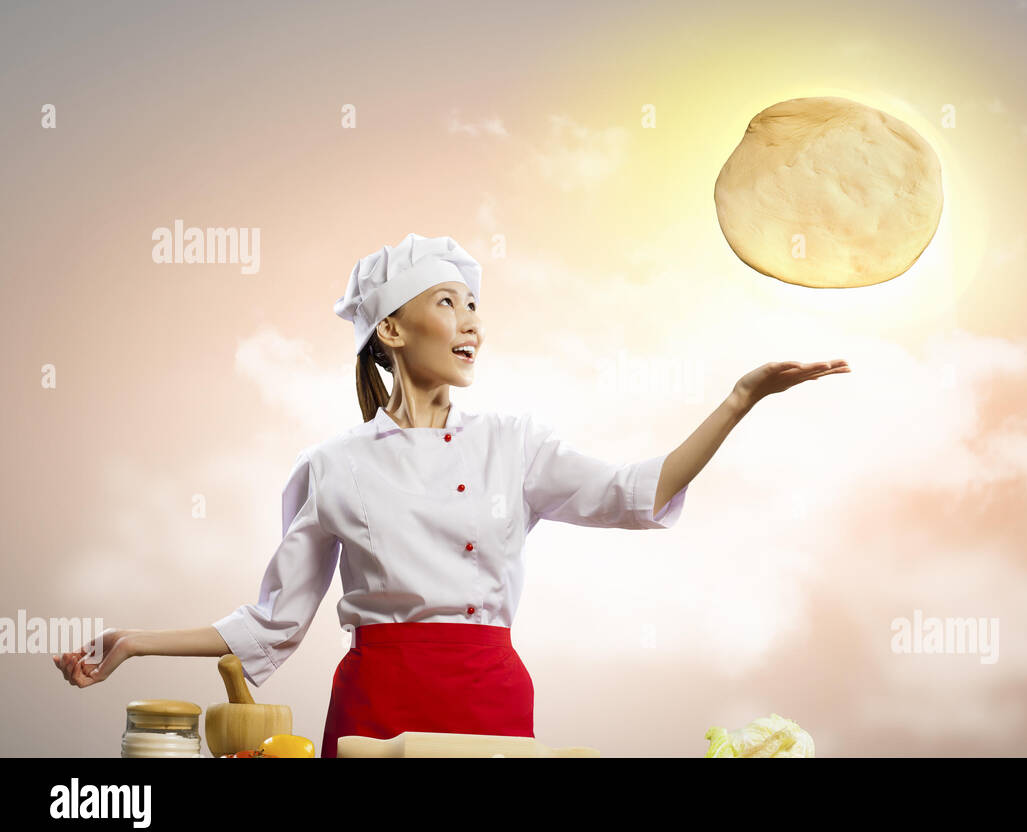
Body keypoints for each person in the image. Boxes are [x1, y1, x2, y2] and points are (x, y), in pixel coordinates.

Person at [53, 233, 851, 756]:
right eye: (448, 303)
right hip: (378, 701)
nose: (471, 322)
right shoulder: (331, 466)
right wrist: (136, 642)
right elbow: (272, 621)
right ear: (391, 332)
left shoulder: (515, 443)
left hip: (490, 696)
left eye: (474, 306)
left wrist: (742, 399)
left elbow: (635, 493)